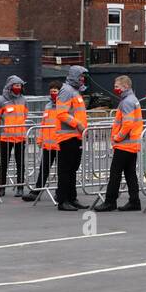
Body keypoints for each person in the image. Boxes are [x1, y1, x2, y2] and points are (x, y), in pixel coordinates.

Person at [96, 76, 144, 212]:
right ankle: (134, 201)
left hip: (124, 144)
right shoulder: (133, 100)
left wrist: (117, 137)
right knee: (130, 173)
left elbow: (127, 124)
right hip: (132, 144)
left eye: (118, 86)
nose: (115, 89)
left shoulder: (126, 102)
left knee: (115, 173)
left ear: (126, 86)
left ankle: (110, 202)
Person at [53, 65, 90, 211]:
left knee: (72, 169)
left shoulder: (75, 92)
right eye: (80, 76)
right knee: (66, 170)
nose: (82, 79)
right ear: (74, 76)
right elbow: (61, 113)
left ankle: (72, 198)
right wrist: (78, 124)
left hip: (76, 136)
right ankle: (63, 200)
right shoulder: (67, 91)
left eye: (83, 77)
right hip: (67, 136)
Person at [0, 75, 29, 198]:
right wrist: (1, 131)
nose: (18, 87)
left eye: (20, 85)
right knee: (4, 163)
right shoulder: (1, 100)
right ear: (10, 86)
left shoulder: (23, 100)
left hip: (20, 137)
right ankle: (1, 188)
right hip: (6, 138)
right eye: (16, 85)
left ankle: (20, 187)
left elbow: (25, 115)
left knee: (20, 163)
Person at [25, 81, 62, 202]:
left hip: (60, 143)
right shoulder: (48, 106)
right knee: (44, 168)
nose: (53, 94)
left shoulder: (64, 106)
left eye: (55, 91)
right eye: (51, 91)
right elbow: (43, 124)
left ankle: (60, 192)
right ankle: (36, 191)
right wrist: (40, 139)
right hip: (48, 144)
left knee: (61, 170)